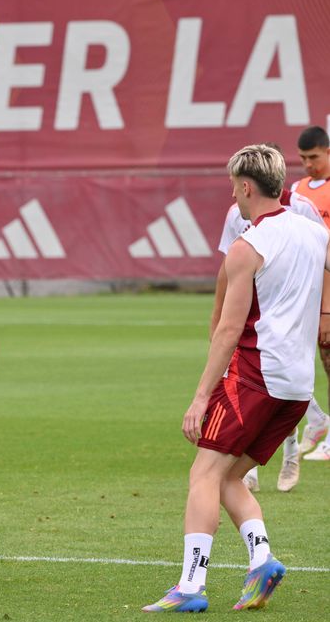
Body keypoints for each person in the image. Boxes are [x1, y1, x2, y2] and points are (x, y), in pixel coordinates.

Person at [143, 144, 330, 613]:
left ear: (246, 187)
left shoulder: (247, 247)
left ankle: (190, 587)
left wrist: (200, 396)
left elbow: (228, 329)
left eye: (233, 184)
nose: (232, 191)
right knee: (230, 478)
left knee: (202, 474)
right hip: (297, 388)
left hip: (255, 376)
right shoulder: (314, 233)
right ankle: (262, 559)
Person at [210, 144, 330, 492]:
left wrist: (324, 311)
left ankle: (291, 452)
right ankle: (252, 471)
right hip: (254, 313)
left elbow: (321, 259)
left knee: (274, 384)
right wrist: (217, 317)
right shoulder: (237, 215)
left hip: (286, 322)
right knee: (267, 387)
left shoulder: (303, 210)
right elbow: (226, 268)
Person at [291, 126, 330, 461]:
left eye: (313, 157)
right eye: (303, 158)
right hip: (309, 289)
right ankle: (317, 420)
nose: (308, 164)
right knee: (301, 360)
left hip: (328, 289)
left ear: (328, 152)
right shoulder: (298, 190)